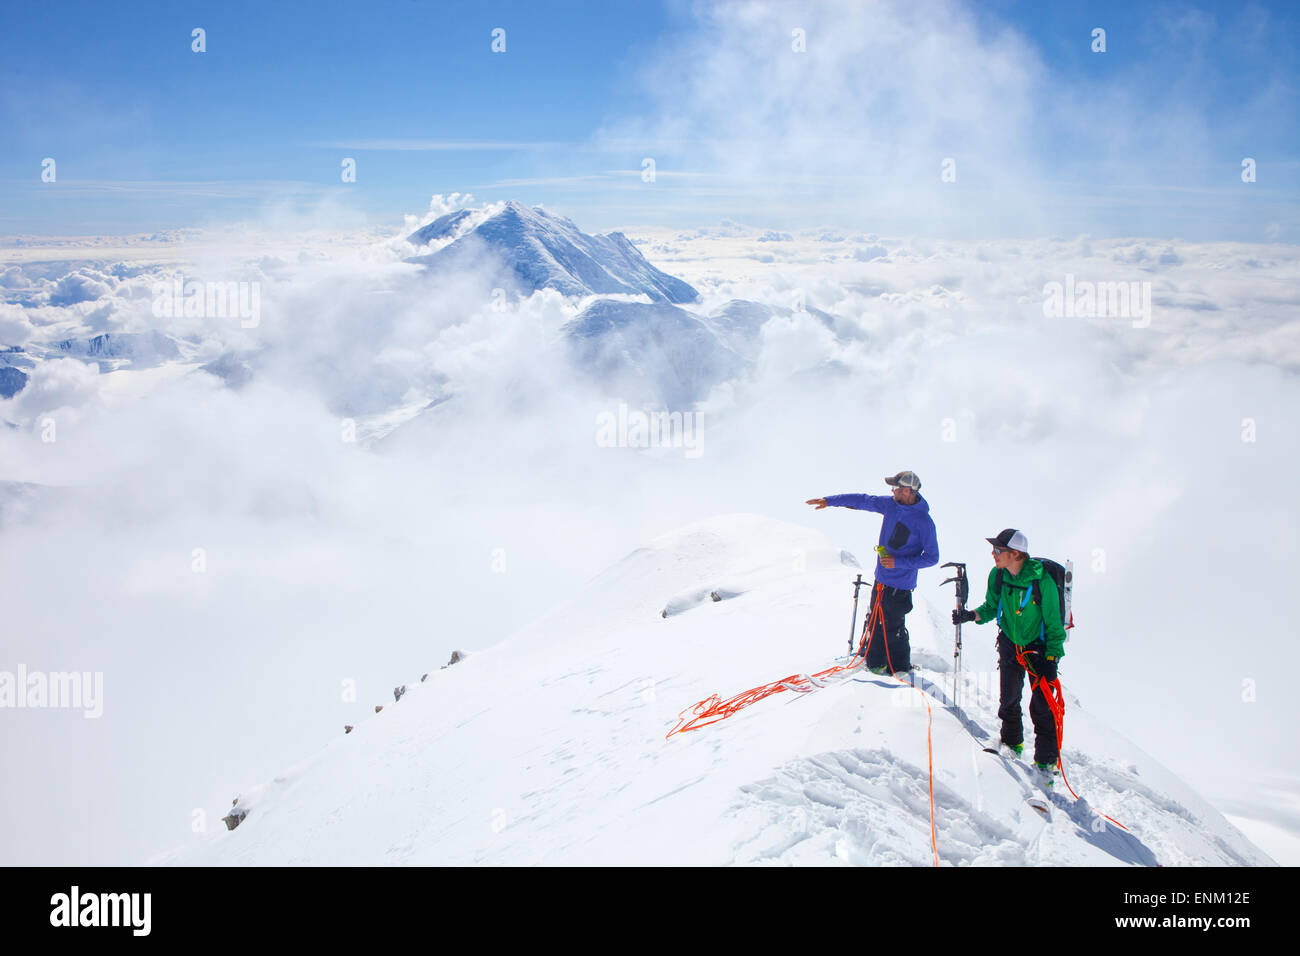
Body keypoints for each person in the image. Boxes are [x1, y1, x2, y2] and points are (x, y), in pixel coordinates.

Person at [952, 529, 1067, 781]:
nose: (993, 554)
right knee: (1009, 698)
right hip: (1009, 642)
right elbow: (992, 607)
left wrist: (1052, 658)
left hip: (1038, 649)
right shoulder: (998, 575)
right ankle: (1011, 744)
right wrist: (971, 616)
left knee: (1043, 707)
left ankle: (1046, 763)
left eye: (998, 550)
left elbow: (1054, 624)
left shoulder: (1041, 580)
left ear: (1016, 554)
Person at [806, 471, 940, 675]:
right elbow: (863, 500)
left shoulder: (924, 522)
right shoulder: (891, 505)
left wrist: (898, 562)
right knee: (874, 620)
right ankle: (873, 663)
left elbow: (932, 557)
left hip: (900, 586)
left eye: (895, 487)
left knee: (892, 628)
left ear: (907, 490)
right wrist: (829, 501)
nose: (892, 491)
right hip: (881, 580)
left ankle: (898, 670)